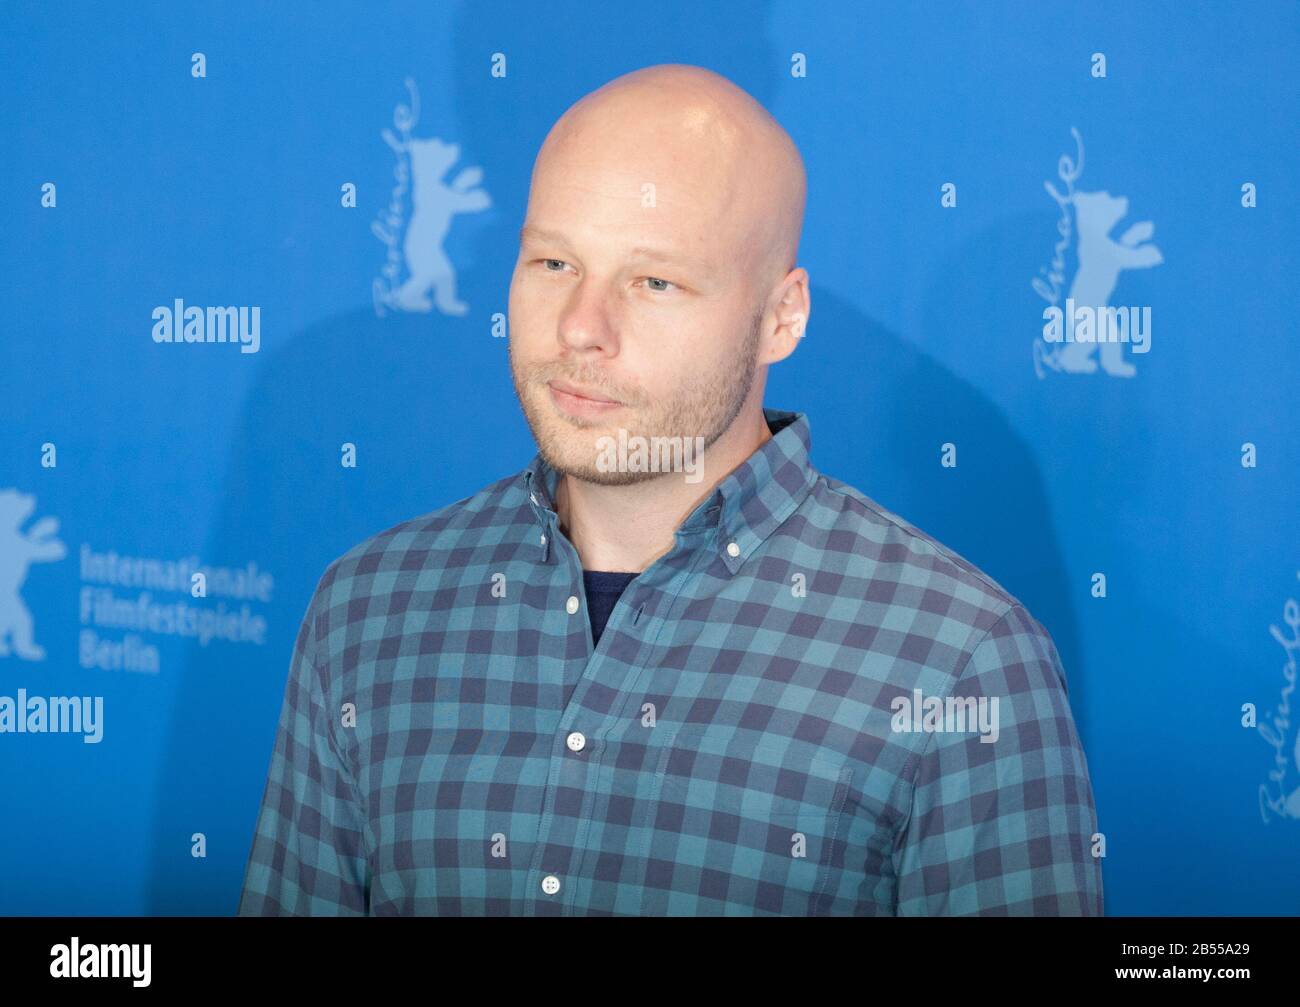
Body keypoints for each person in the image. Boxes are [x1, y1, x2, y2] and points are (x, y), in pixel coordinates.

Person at [238, 63, 1102, 916]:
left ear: (781, 318)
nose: (582, 326)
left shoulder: (959, 661)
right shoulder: (367, 609)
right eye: (552, 262)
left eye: (654, 281)